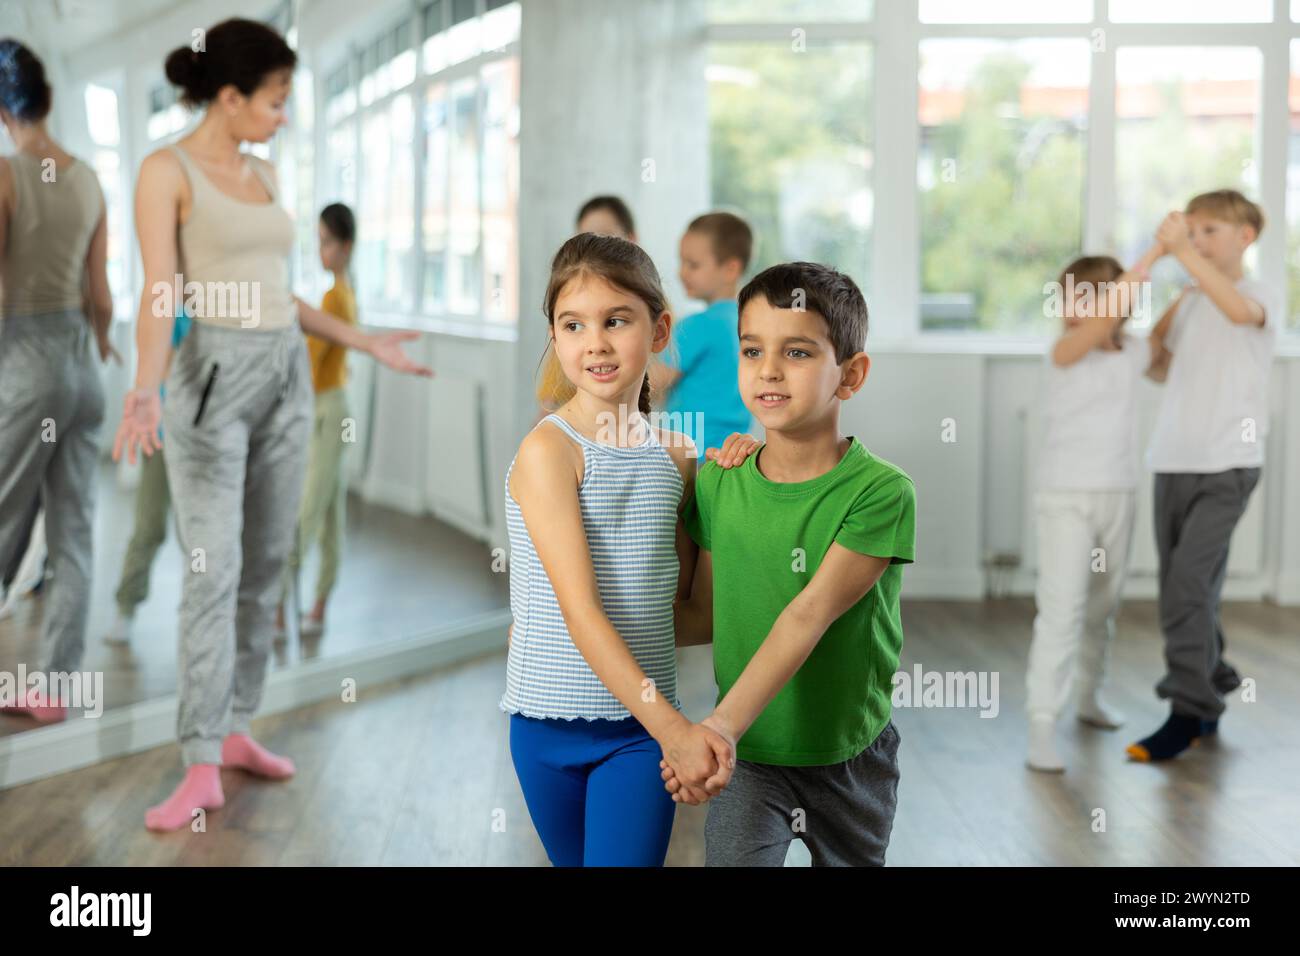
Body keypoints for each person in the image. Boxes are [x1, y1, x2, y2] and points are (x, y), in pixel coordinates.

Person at [111, 18, 430, 831]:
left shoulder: (265, 171)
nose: (284, 114)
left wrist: (361, 340)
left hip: (284, 369)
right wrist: (144, 388)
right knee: (212, 574)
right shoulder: (165, 170)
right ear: (230, 95)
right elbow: (160, 291)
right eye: (277, 99)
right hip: (210, 382)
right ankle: (198, 761)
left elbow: (272, 291)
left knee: (267, 562)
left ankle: (239, 725)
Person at [665, 261, 917, 867]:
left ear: (850, 375)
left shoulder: (881, 493)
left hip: (850, 756)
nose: (769, 370)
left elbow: (808, 613)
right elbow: (694, 614)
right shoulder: (719, 485)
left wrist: (718, 724)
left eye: (798, 352)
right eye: (752, 350)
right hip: (749, 757)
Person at [502, 232, 733, 866]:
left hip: (637, 737)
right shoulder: (550, 452)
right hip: (545, 729)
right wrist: (679, 733)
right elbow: (582, 616)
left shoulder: (678, 460)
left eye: (616, 320)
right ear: (554, 337)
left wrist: (726, 490)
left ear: (659, 330)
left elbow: (691, 617)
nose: (595, 342)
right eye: (573, 325)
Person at [1127, 189, 1281, 762]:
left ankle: (1188, 711)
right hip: (1173, 461)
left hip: (1228, 464)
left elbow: (1239, 313)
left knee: (1185, 588)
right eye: (1191, 232)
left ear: (1245, 236)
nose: (1197, 241)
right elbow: (1157, 364)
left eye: (1209, 230)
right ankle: (1212, 674)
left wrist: (1183, 258)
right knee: (1192, 585)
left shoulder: (1260, 294)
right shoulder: (1193, 299)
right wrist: (1168, 275)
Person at [0, 38, 115, 722]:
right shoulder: (89, 178)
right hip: (83, 367)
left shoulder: (8, 176)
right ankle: (48, 687)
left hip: (26, 362)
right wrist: (100, 344)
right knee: (73, 533)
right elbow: (101, 295)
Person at [1024, 247, 1164, 772]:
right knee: (1063, 607)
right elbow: (1092, 332)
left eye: (1089, 295)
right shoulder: (1064, 349)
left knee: (1103, 607)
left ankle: (1088, 695)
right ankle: (1042, 720)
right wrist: (1155, 252)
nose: (1074, 305)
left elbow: (1165, 351)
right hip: (1066, 495)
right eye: (1069, 295)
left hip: (1118, 493)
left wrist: (1188, 294)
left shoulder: (1132, 352)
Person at [278, 203, 358, 636]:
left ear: (345, 247)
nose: (321, 250)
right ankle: (318, 608)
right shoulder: (343, 293)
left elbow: (311, 364)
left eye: (327, 242)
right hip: (335, 407)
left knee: (309, 512)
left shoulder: (333, 297)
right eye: (319, 241)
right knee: (329, 515)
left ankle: (277, 605)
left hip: (327, 412)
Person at [105, 307, 191, 645]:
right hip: (163, 435)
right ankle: (125, 607)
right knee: (149, 526)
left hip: (203, 442)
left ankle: (196, 617)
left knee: (199, 539)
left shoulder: (219, 305)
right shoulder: (173, 310)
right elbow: (164, 368)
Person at [649, 212, 753, 460]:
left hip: (686, 458)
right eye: (681, 262)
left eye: (693, 265)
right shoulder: (748, 324)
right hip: (730, 457)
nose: (681, 273)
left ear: (730, 269)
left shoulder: (699, 325)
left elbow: (649, 385)